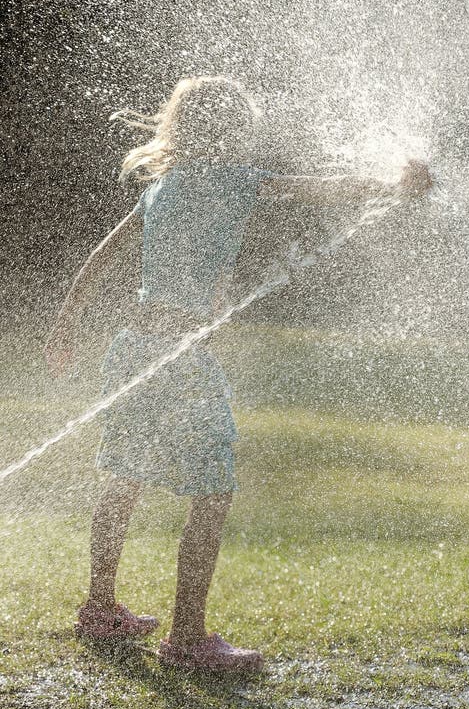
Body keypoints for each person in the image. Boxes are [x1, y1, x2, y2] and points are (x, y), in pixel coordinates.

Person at [45, 75, 433, 672]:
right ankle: (188, 640)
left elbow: (102, 256)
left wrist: (66, 322)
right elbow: (320, 191)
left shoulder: (164, 183)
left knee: (121, 479)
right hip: (180, 360)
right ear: (231, 129)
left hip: (131, 349)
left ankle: (99, 608)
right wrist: (392, 184)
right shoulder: (233, 179)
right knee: (213, 492)